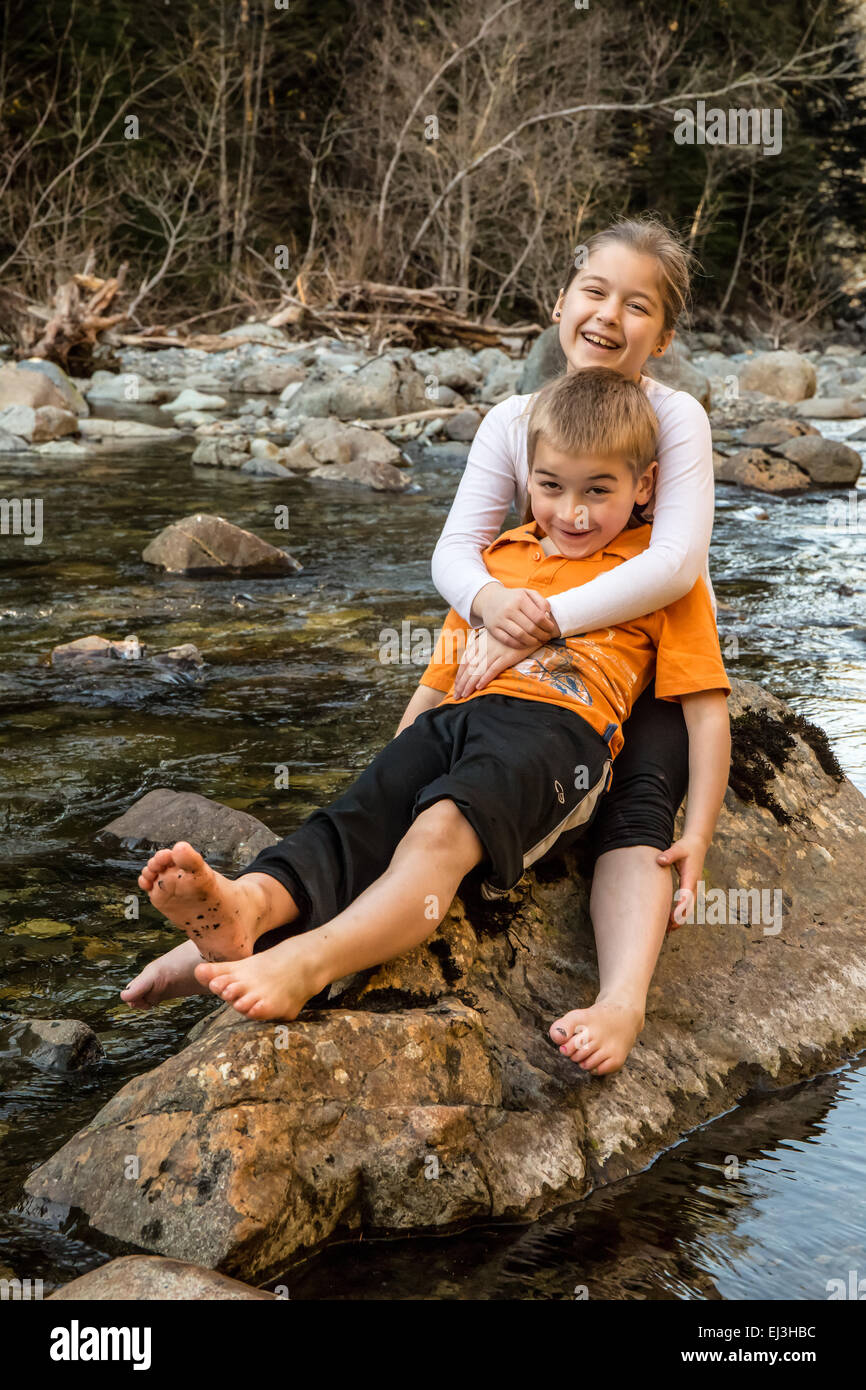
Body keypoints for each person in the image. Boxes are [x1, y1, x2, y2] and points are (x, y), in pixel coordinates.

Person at [123, 368, 731, 1078]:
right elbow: (438, 678)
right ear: (525, 478)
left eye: (599, 490)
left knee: (442, 828)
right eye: (551, 486)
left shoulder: (659, 577)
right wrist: (395, 763)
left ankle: (308, 962)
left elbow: (705, 708)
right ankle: (247, 905)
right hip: (458, 721)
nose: (572, 513)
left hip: (556, 737)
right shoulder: (500, 562)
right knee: (357, 818)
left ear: (646, 485)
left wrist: (698, 833)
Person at [404, 214, 718, 1067]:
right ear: (559, 301)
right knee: (426, 761)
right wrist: (497, 607)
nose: (609, 317)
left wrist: (539, 622)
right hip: (535, 634)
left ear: (664, 334)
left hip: (646, 647)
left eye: (638, 305)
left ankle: (621, 1003)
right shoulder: (511, 419)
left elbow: (677, 563)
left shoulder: (674, 416)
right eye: (594, 290)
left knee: (643, 795)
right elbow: (455, 552)